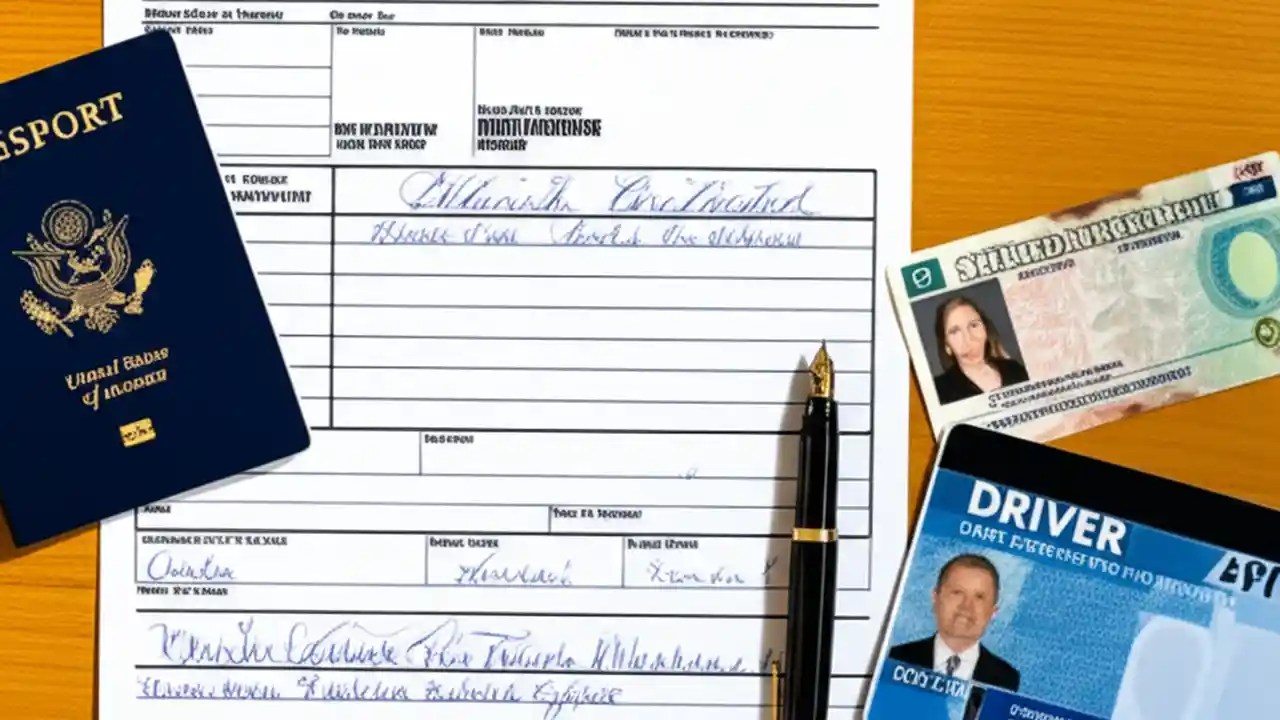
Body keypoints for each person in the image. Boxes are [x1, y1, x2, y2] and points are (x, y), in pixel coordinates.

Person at [888, 553, 1021, 697]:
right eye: (957, 593)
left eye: (979, 597)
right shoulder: (894, 659)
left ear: (993, 611)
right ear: (935, 598)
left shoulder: (1006, 679)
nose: (966, 607)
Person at [930, 296, 1029, 404]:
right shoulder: (938, 391)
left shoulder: (1015, 370)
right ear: (947, 346)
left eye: (974, 325)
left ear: (985, 330)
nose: (968, 338)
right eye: (955, 331)